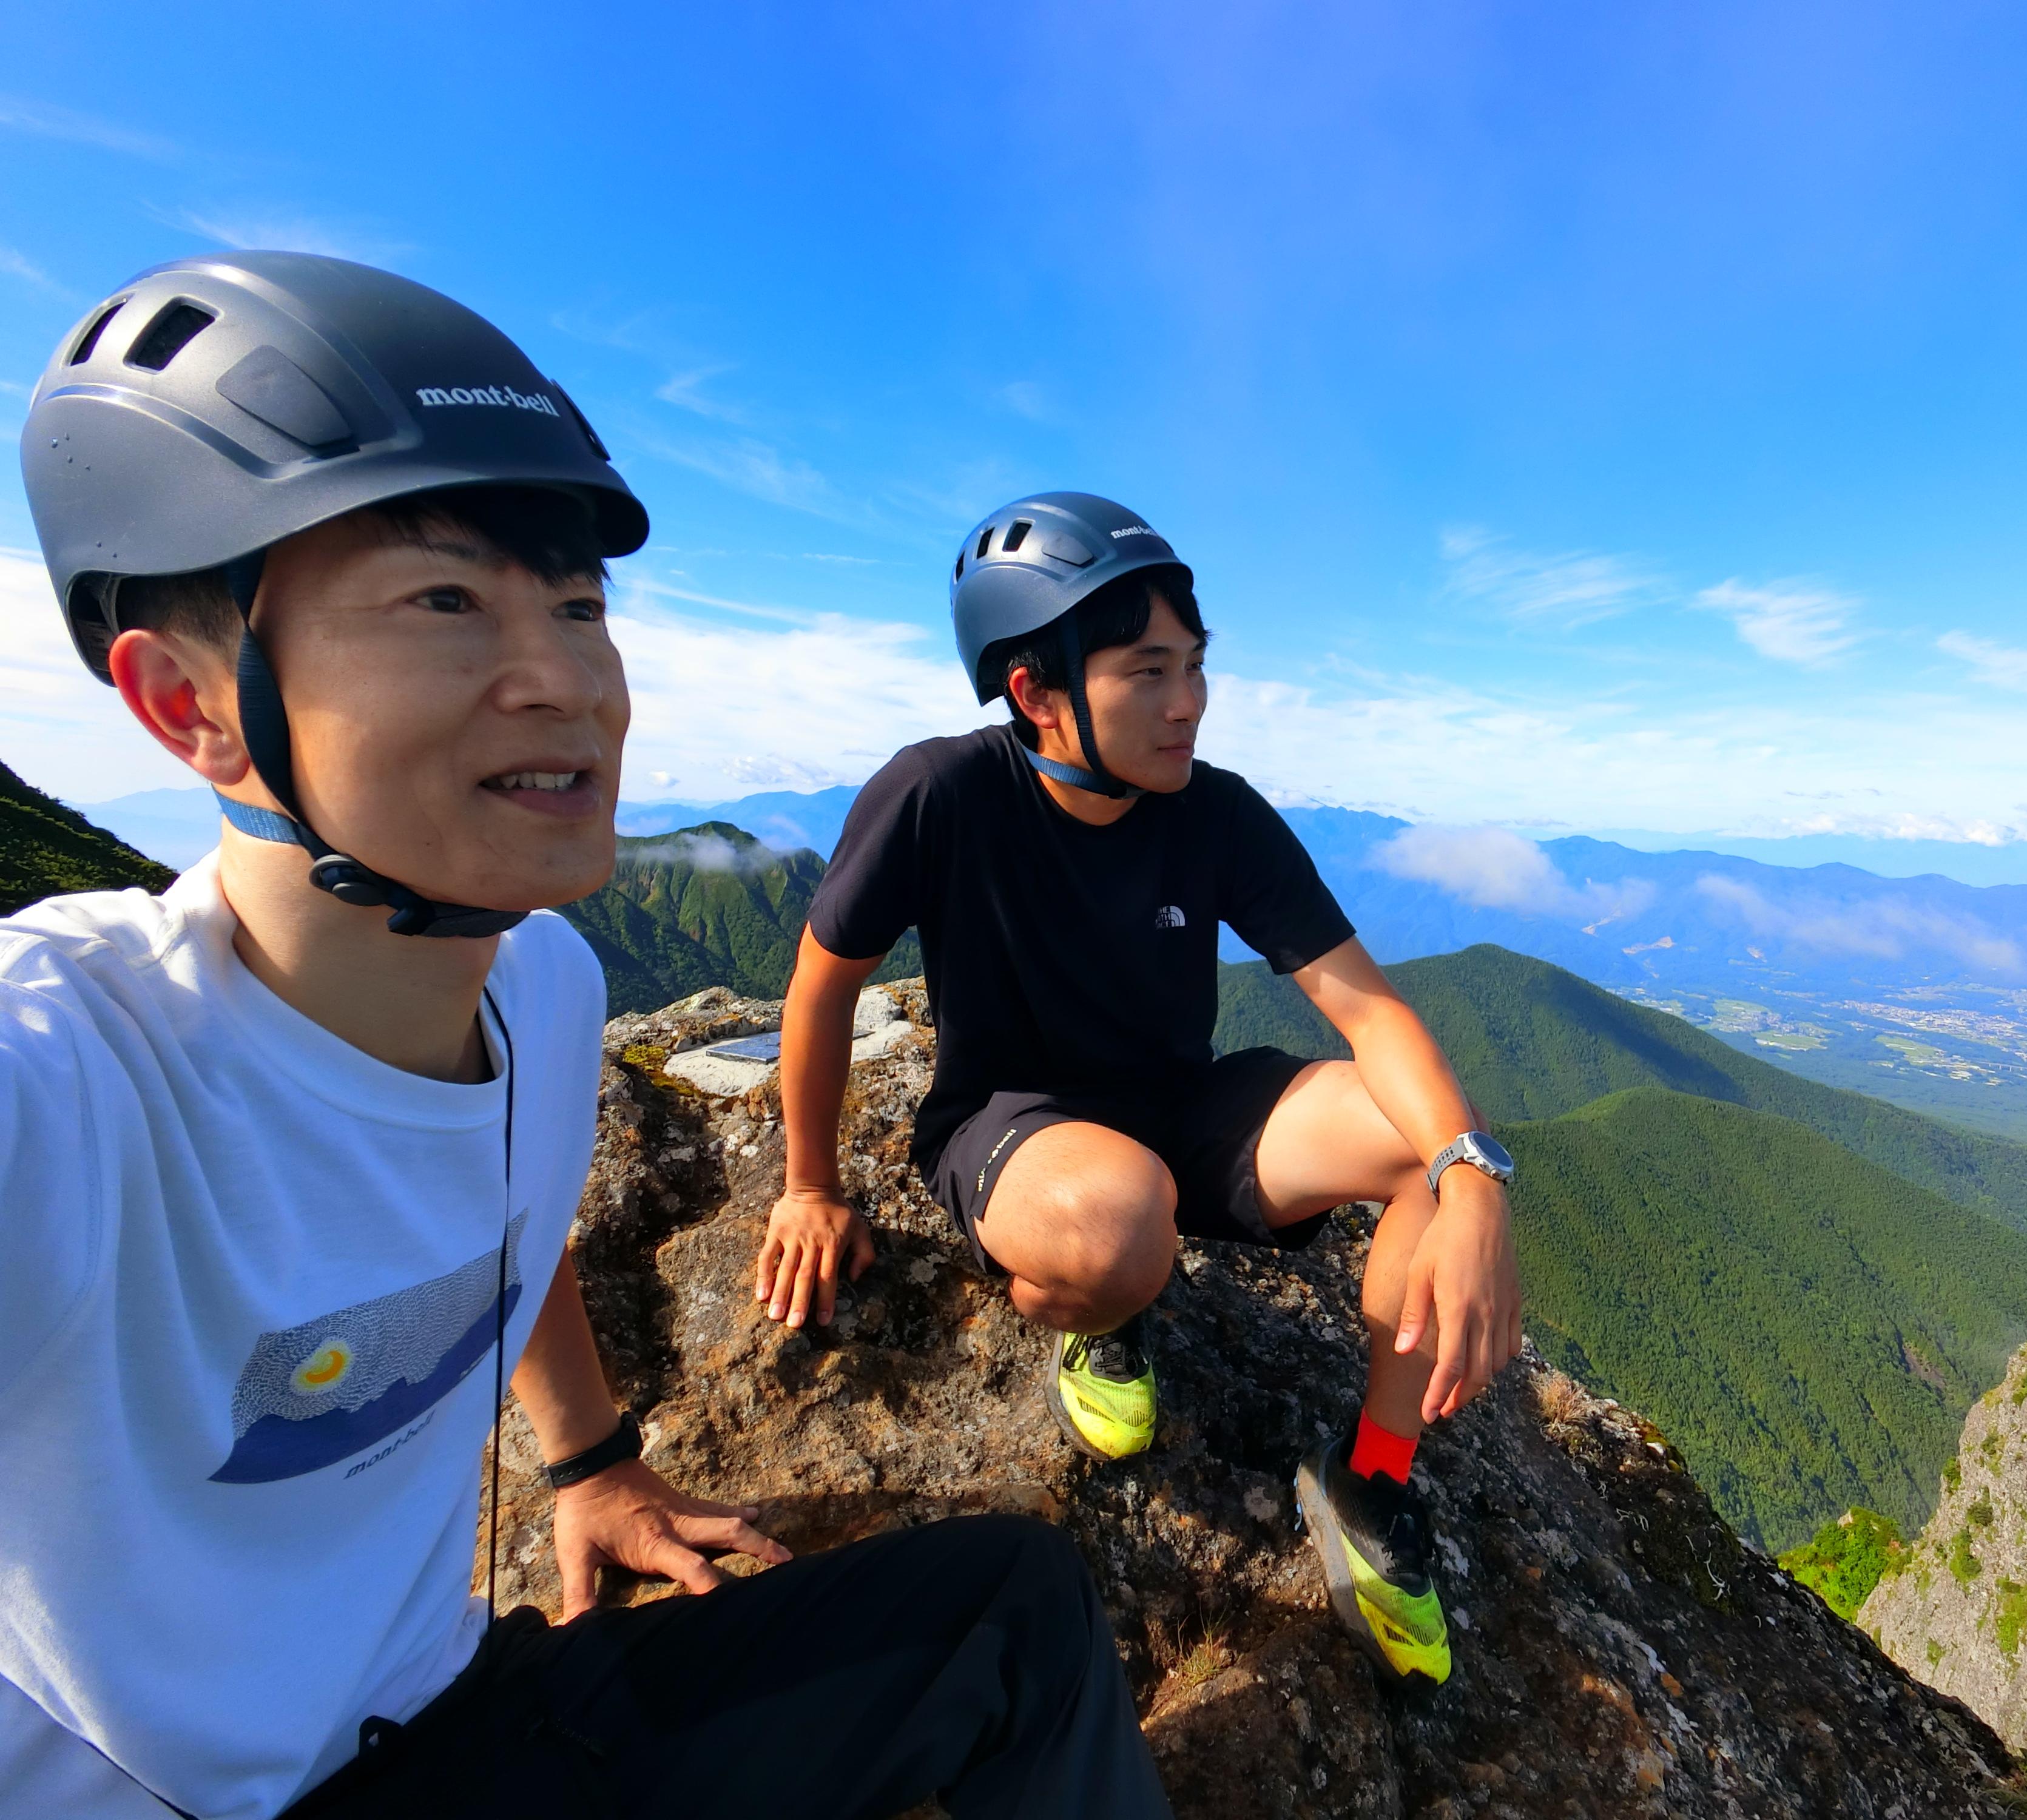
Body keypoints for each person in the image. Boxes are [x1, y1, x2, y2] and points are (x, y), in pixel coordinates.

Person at [1, 258, 1169, 1820]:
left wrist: (590, 1462)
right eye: (441, 601)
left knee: (1011, 1615)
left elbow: (504, 1222)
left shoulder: (540, 989)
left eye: (573, 602)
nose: (559, 678)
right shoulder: (69, 1080)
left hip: (456, 1723)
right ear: (189, 706)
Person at [757, 493, 1523, 1687]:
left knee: (1417, 1135)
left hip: (1180, 1111)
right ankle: (1096, 1318)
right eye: (1145, 671)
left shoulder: (1212, 814)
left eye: (1194, 666)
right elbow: (819, 988)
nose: (1187, 703)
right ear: (1037, 694)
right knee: (1122, 1234)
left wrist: (1472, 1184)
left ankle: (1370, 1474)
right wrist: (808, 1187)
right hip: (1010, 1128)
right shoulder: (939, 794)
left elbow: (1368, 1011)